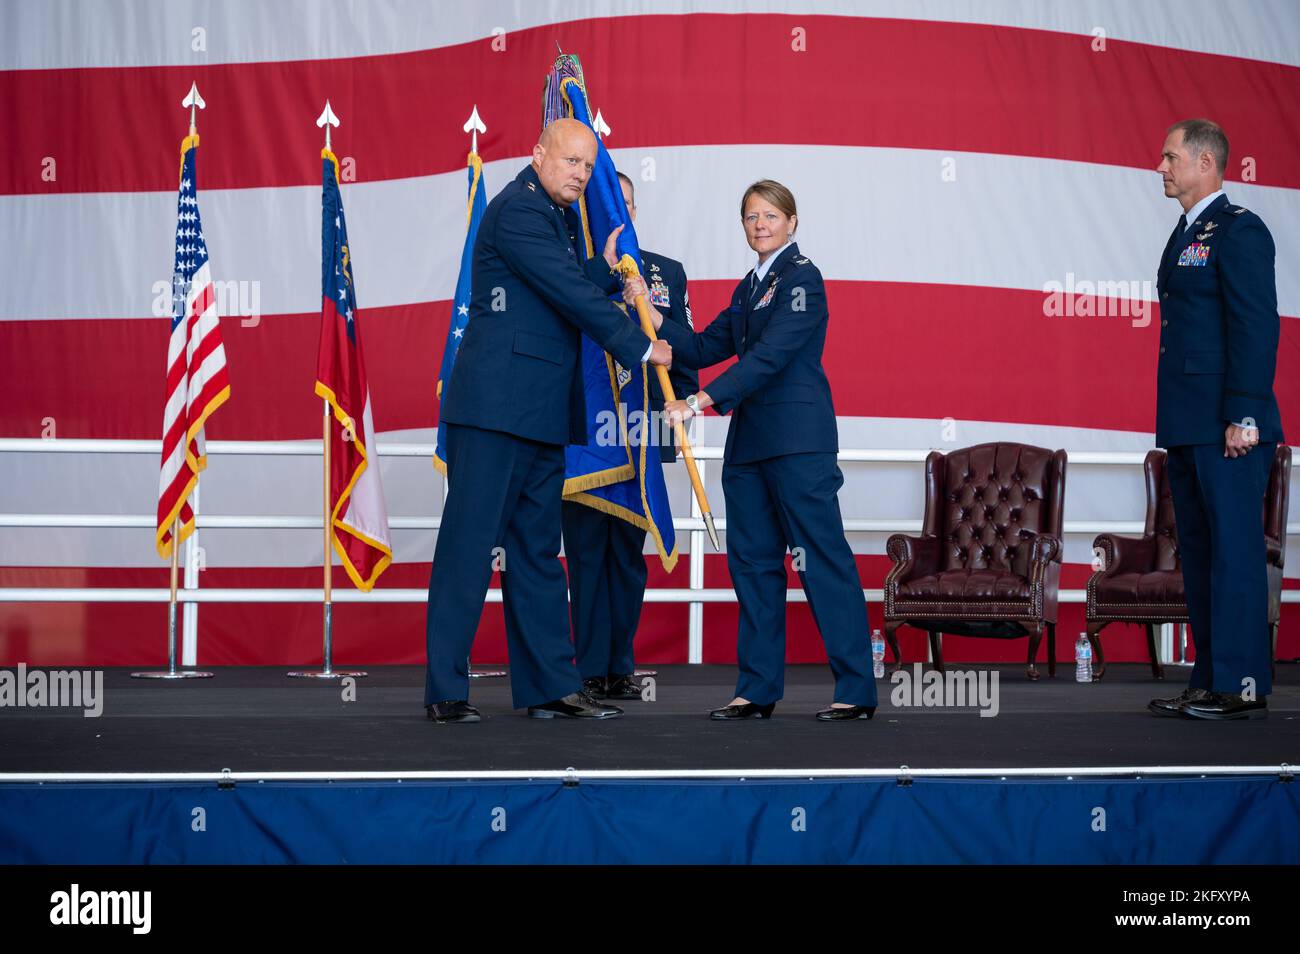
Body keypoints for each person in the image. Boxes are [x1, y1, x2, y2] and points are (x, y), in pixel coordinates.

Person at [425, 118, 672, 724]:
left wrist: (604, 264)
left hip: (538, 414)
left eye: (589, 167)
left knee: (537, 553)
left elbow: (553, 284)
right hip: (492, 411)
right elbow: (564, 291)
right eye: (571, 162)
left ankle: (548, 689)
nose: (582, 175)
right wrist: (640, 345)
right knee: (469, 547)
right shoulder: (518, 210)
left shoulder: (553, 218)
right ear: (538, 156)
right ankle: (445, 693)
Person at [623, 179, 876, 721]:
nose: (759, 225)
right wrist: (650, 312)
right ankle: (757, 689)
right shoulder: (748, 287)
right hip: (750, 449)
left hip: (797, 446)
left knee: (822, 561)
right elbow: (699, 344)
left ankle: (856, 689)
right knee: (754, 566)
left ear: (791, 222)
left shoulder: (803, 279)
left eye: (770, 216)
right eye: (750, 217)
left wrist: (700, 400)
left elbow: (771, 357)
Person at [1146, 119, 1283, 721]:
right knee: (1199, 555)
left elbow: (1257, 325)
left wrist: (1245, 414)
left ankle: (1242, 684)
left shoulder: (1240, 230)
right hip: (1187, 422)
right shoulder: (1185, 232)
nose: (1162, 167)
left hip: (1229, 424)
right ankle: (1209, 678)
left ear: (1206, 161)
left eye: (1171, 156)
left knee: (1235, 553)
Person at [562, 172, 699, 701]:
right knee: (586, 555)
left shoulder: (665, 272)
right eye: (600, 207)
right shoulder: (568, 269)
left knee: (627, 557)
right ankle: (589, 669)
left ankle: (619, 665)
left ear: (632, 211)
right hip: (585, 438)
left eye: (621, 205)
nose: (611, 215)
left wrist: (682, 403)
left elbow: (687, 343)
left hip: (640, 433)